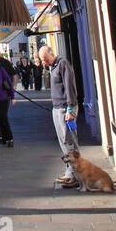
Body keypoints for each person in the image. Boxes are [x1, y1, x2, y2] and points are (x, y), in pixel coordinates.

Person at [39, 45, 79, 188]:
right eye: (42, 61)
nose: (44, 63)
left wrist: (71, 108)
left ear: (51, 54)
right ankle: (70, 172)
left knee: (69, 141)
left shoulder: (63, 64)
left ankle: (76, 175)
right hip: (56, 108)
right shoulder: (53, 66)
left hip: (64, 108)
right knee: (63, 143)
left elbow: (69, 86)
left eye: (45, 59)